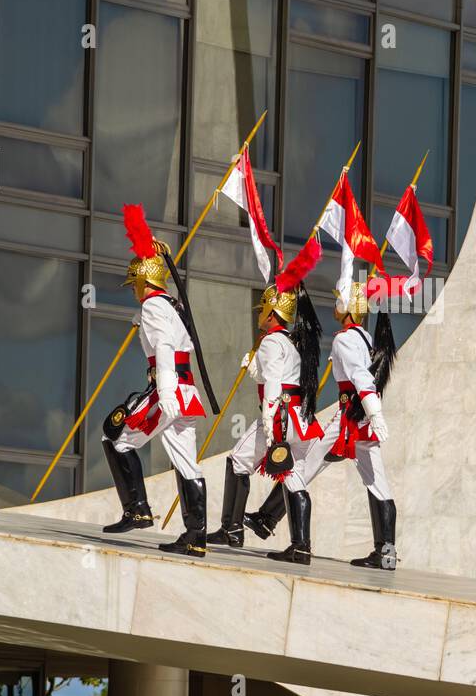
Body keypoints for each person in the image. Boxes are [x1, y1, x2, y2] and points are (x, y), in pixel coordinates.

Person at [245, 280, 399, 570]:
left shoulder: (345, 339)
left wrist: (376, 413)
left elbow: (362, 379)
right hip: (362, 416)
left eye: (339, 300)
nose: (334, 305)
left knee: (303, 463)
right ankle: (386, 550)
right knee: (377, 481)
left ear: (348, 307)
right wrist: (374, 414)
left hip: (348, 417)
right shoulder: (365, 337)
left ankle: (271, 521)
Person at [101, 205, 217, 559]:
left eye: (134, 285)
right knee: (187, 464)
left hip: (169, 391)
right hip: (187, 392)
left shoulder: (155, 307)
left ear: (143, 280)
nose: (133, 291)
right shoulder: (170, 306)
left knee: (116, 437)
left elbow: (165, 347)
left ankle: (136, 510)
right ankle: (196, 536)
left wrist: (164, 392)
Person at [207, 241, 324, 564]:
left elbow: (273, 388)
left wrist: (272, 434)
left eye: (263, 311)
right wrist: (255, 367)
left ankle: (231, 528)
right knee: (293, 476)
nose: (260, 316)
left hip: (281, 420)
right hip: (299, 419)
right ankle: (301, 545)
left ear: (273, 313)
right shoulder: (290, 343)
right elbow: (275, 377)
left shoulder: (273, 341)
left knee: (237, 460)